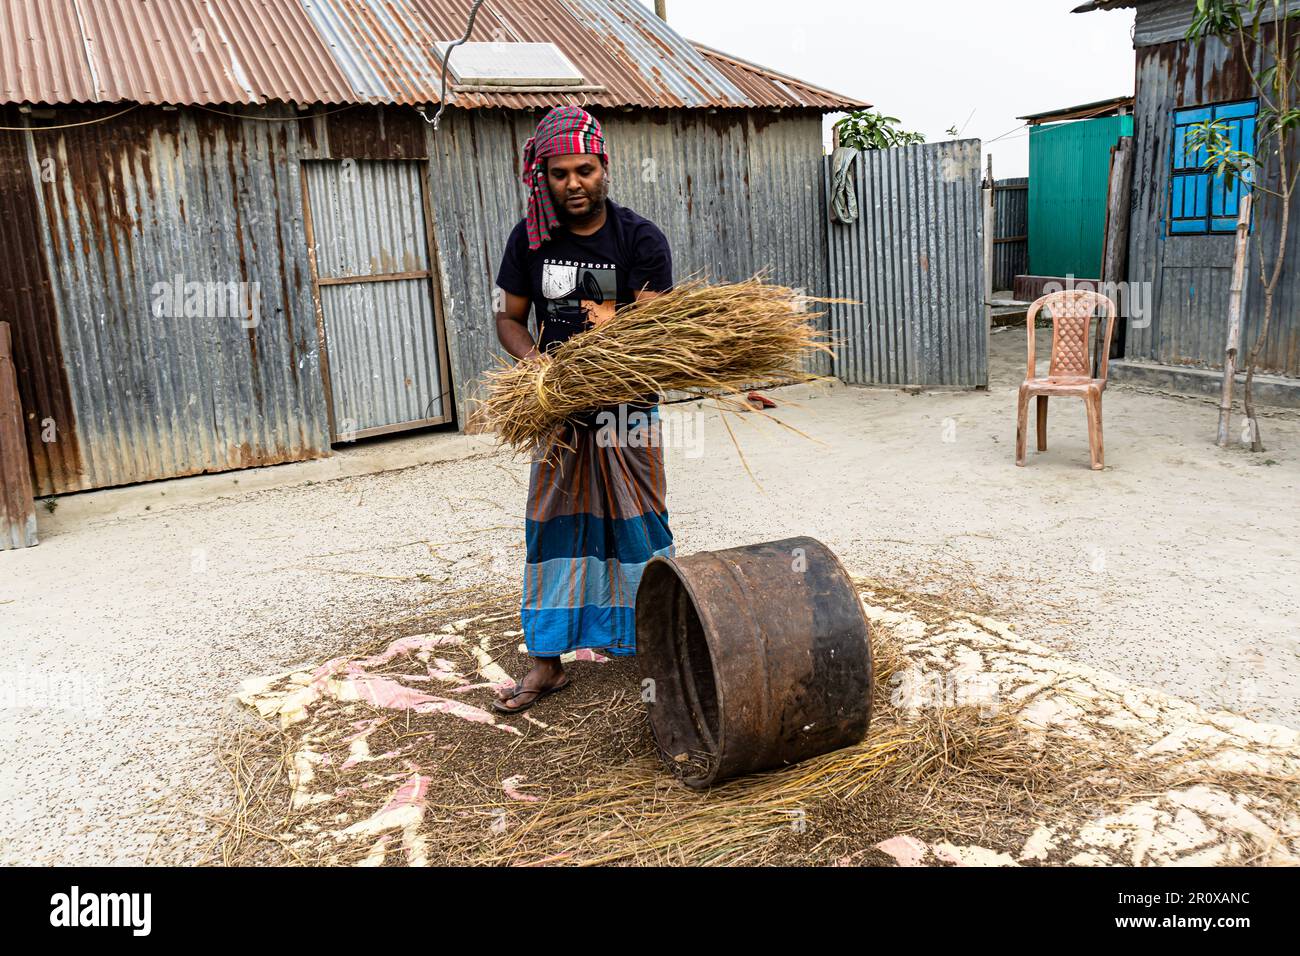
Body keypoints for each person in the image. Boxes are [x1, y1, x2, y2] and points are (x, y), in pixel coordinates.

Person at [491, 106, 674, 713]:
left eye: (585, 170)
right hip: (558, 414)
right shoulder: (530, 239)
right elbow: (509, 319)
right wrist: (537, 369)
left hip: (627, 410)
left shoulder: (640, 239)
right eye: (561, 173)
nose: (573, 183)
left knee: (639, 526)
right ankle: (547, 660)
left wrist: (613, 330)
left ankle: (658, 644)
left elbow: (655, 330)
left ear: (604, 169)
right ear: (543, 176)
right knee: (554, 529)